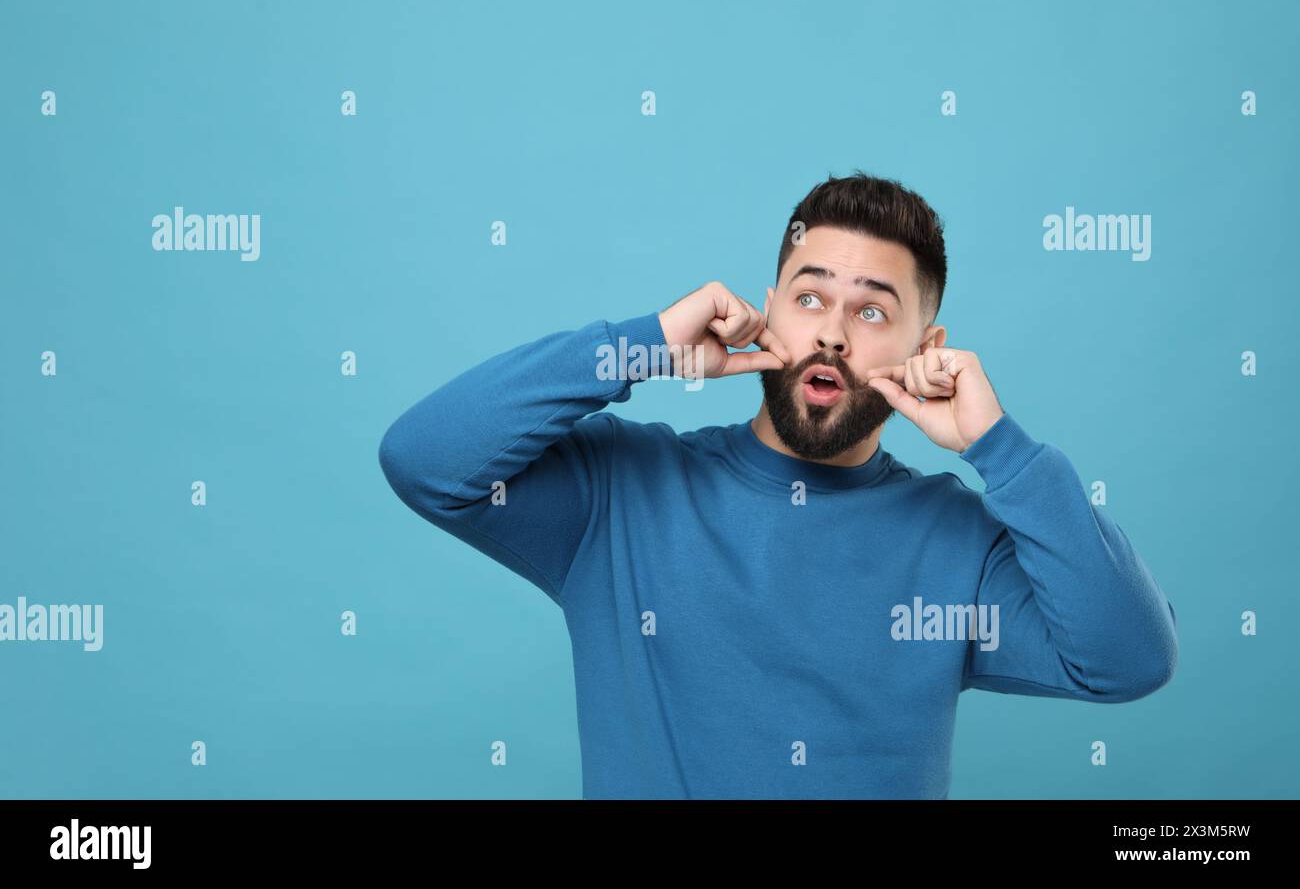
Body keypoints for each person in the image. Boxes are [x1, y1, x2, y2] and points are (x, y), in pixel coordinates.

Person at [378, 171, 1178, 799]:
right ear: (767, 313)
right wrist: (642, 346)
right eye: (809, 297)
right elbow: (424, 459)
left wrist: (999, 448)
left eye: (871, 313)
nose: (831, 329)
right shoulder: (621, 492)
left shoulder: (959, 543)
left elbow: (1128, 658)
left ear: (926, 346)